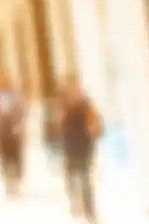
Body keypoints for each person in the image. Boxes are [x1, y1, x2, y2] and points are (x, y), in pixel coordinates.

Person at [59, 77, 102, 222]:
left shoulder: (84, 104)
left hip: (81, 146)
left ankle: (88, 210)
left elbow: (95, 123)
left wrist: (94, 136)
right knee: (74, 177)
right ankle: (79, 205)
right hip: (72, 146)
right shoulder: (65, 104)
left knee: (83, 179)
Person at [0, 71, 27, 196]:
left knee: (16, 159)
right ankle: (8, 182)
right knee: (4, 159)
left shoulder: (17, 97)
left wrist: (19, 127)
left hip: (14, 133)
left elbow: (22, 113)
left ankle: (17, 180)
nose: (5, 84)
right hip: (0, 133)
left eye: (7, 82)